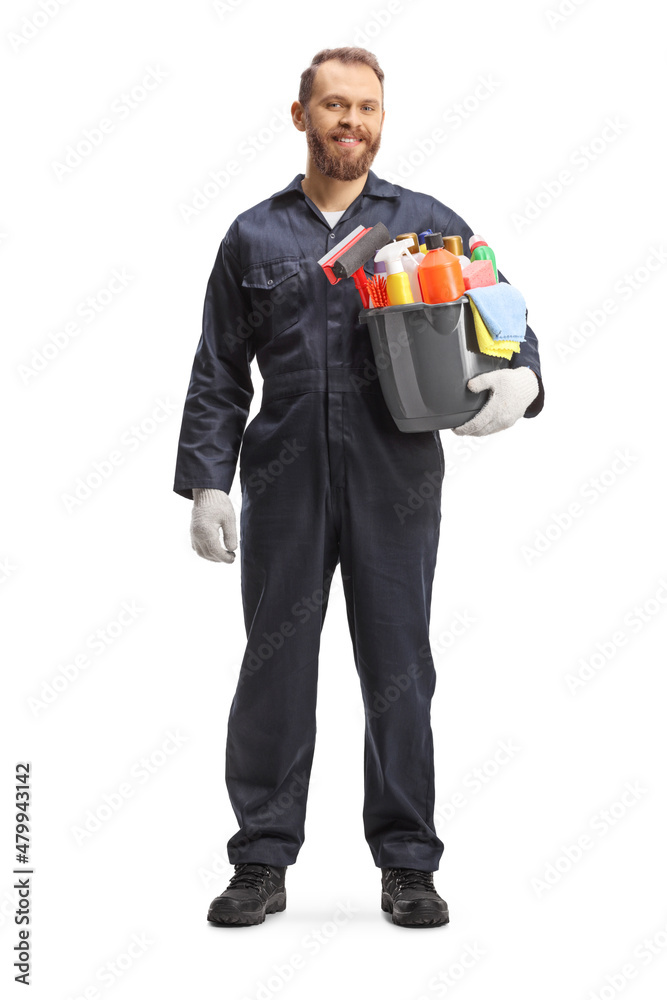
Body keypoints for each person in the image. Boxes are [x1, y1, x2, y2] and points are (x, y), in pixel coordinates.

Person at [173, 47, 544, 928]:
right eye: (334, 107)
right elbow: (219, 369)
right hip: (283, 473)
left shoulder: (424, 224)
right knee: (273, 670)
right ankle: (260, 860)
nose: (352, 122)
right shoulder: (254, 235)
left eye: (367, 108)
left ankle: (407, 864)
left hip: (396, 472)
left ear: (382, 118)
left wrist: (520, 376)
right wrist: (207, 484)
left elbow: (505, 315)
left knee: (398, 671)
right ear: (301, 117)